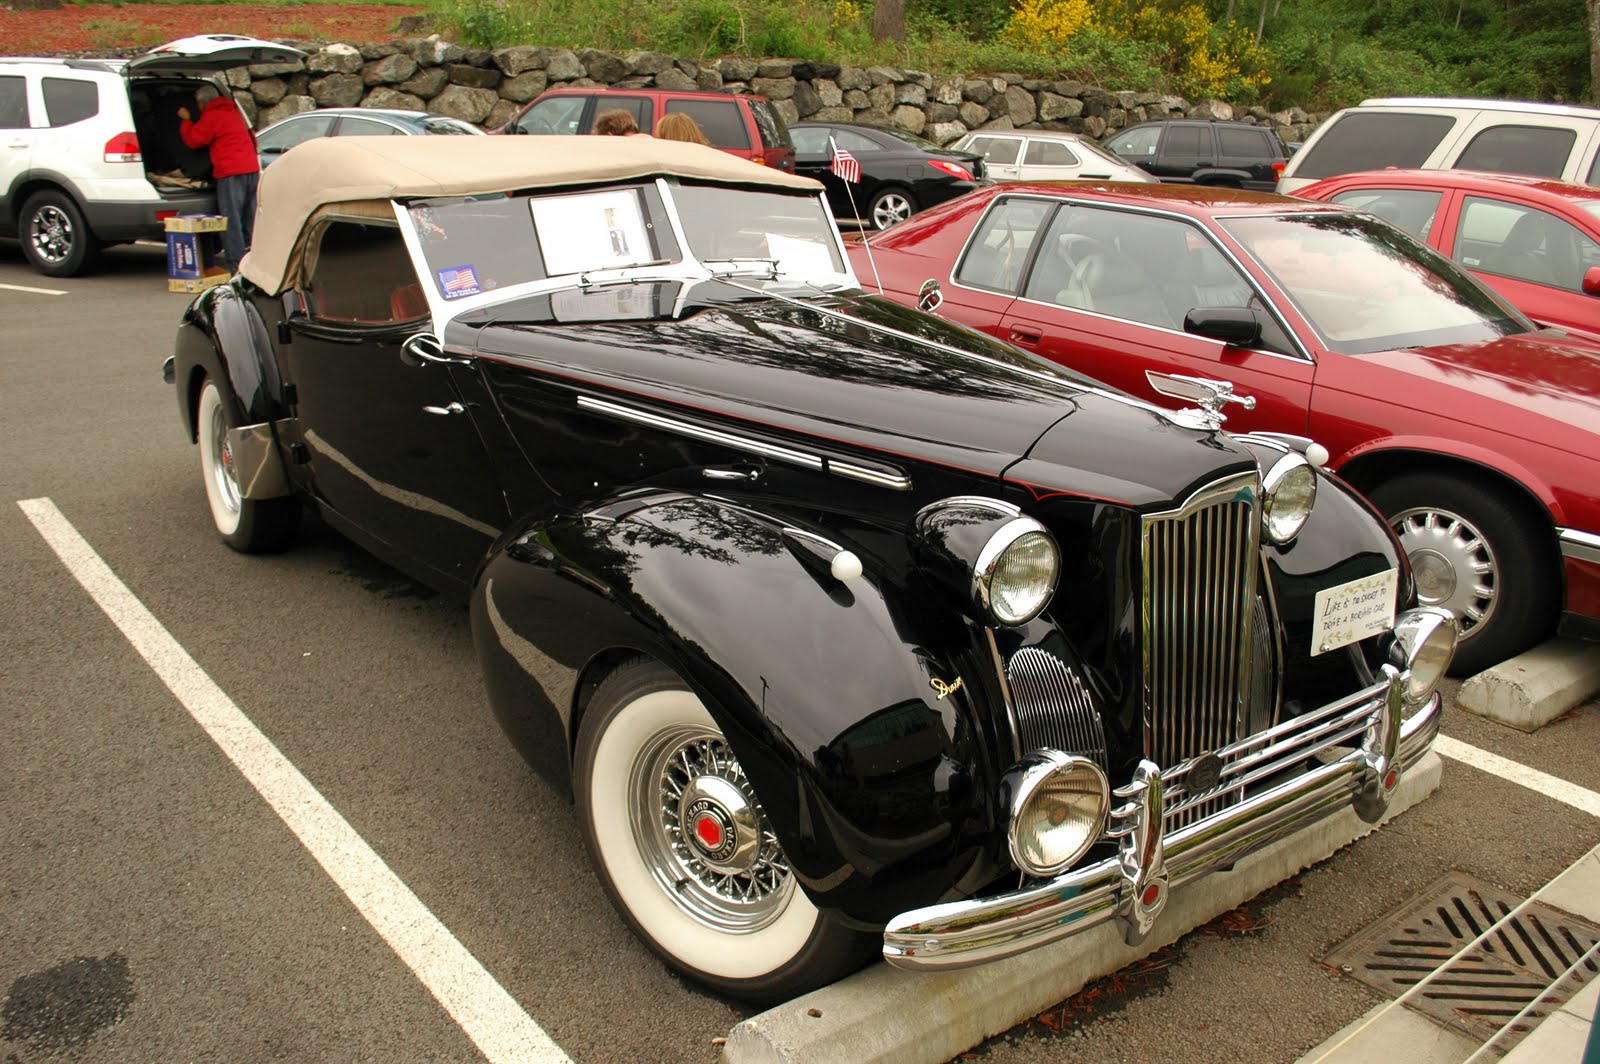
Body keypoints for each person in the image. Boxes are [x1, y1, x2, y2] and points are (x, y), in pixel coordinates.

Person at [177, 84, 260, 273]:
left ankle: (236, 268)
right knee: (249, 220)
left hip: (231, 171)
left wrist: (186, 121)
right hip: (251, 169)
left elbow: (195, 140)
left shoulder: (212, 115)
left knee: (231, 222)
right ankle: (254, 263)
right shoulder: (234, 111)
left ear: (201, 102)